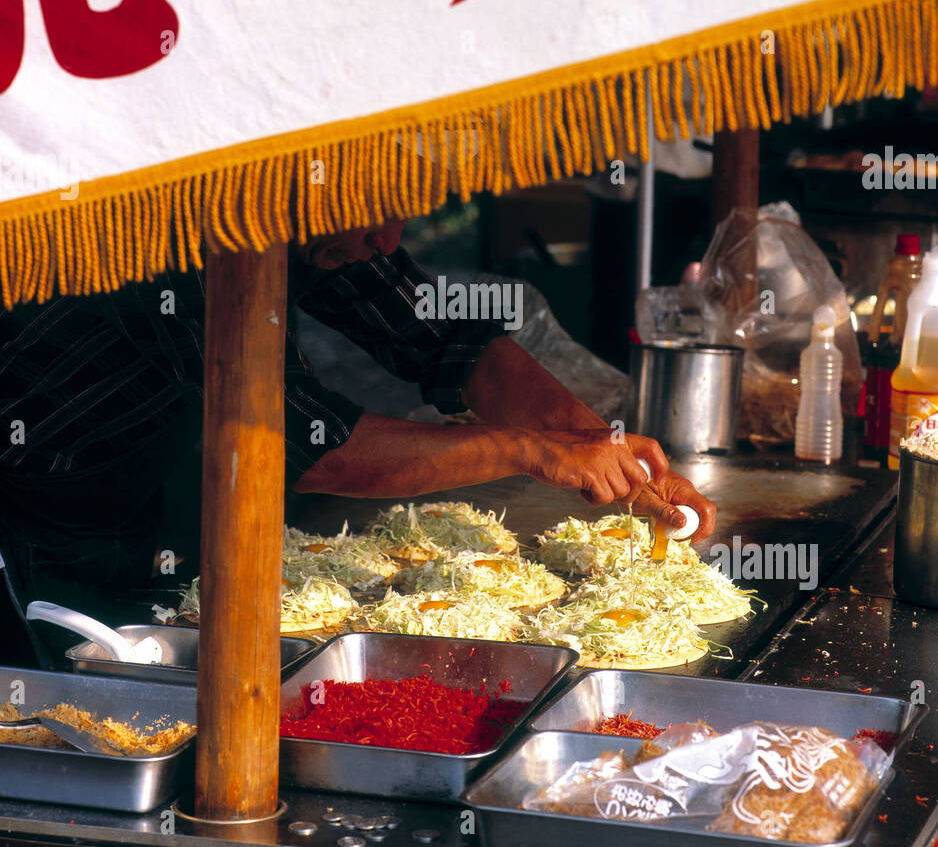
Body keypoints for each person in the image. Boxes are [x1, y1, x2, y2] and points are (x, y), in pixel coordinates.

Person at [0, 217, 715, 664]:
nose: (389, 242)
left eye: (404, 215)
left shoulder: (328, 220)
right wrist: (534, 451)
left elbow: (441, 336)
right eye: (377, 217)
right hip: (35, 514)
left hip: (148, 492)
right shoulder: (178, 243)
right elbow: (306, 444)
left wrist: (595, 443)